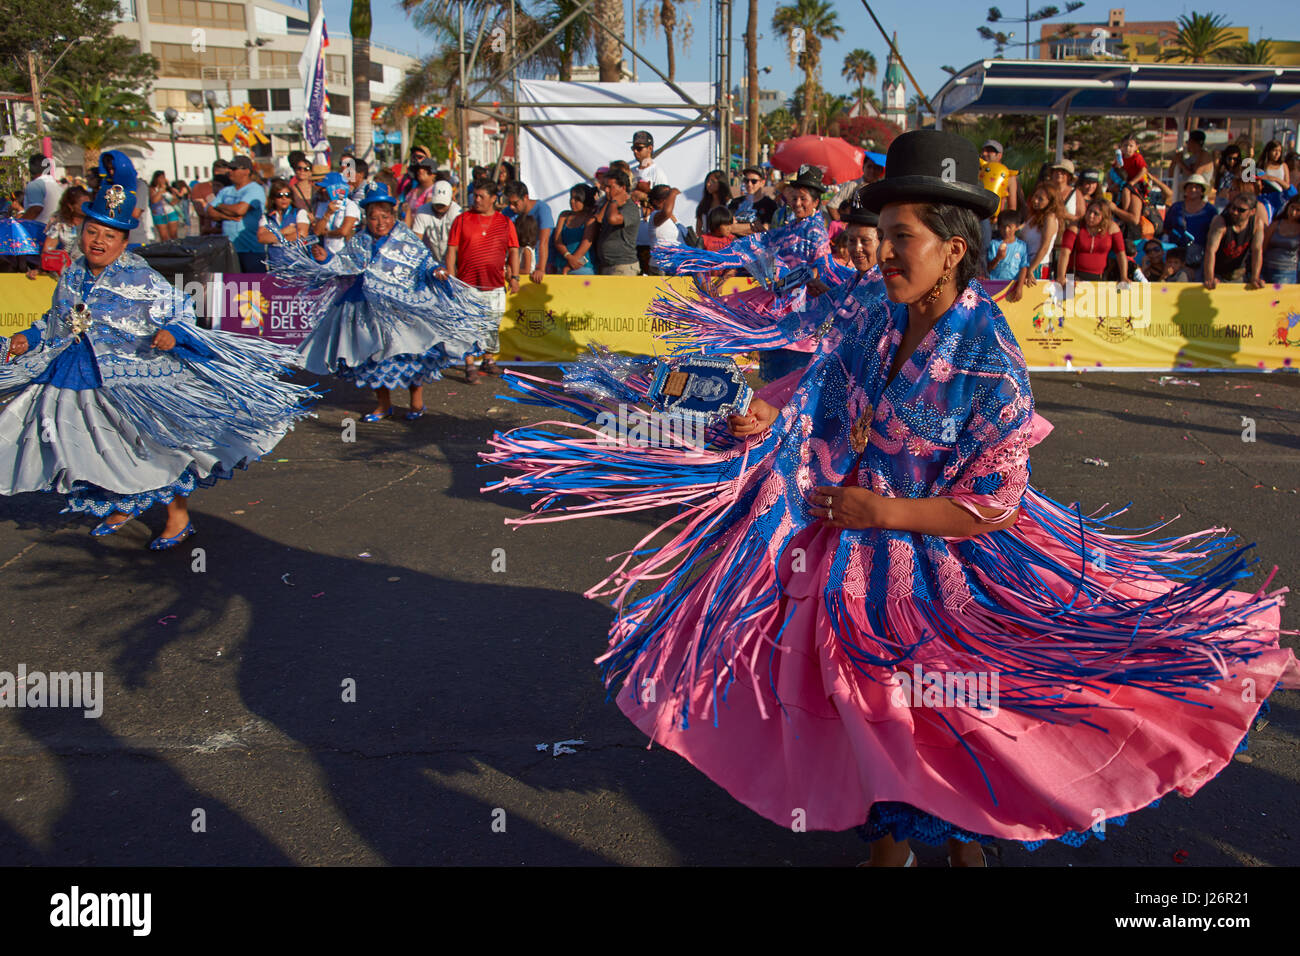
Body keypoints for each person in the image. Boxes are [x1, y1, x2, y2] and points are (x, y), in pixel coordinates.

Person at [483, 127, 1299, 866]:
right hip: (852, 548)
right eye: (883, 238)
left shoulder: (990, 358)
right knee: (860, 696)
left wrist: (887, 512)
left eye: (902, 241)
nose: (884, 256)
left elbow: (997, 505)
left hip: (946, 563)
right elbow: (824, 372)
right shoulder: (876, 305)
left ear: (953, 249)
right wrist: (772, 405)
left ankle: (946, 841)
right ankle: (901, 840)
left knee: (942, 704)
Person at [0, 151, 315, 549]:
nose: (98, 241)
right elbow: (55, 319)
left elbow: (179, 309)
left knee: (151, 444)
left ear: (124, 240)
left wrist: (172, 333)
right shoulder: (73, 271)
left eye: (109, 236)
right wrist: (28, 336)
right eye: (93, 231)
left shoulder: (139, 275)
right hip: (76, 373)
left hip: (132, 374)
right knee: (92, 443)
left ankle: (177, 514)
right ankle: (123, 500)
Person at [279, 181, 497, 420]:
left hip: (403, 308)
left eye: (385, 216)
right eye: (374, 218)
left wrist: (436, 271)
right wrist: (326, 258)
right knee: (373, 358)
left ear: (394, 215)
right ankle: (384, 404)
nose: (380, 222)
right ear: (367, 218)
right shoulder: (360, 242)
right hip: (367, 309)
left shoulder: (406, 239)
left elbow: (424, 262)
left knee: (412, 354)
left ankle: (416, 403)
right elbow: (345, 264)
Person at [444, 180, 520, 383]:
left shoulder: (505, 222)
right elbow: (451, 250)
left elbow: (513, 250)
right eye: (474, 196)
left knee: (491, 324)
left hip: (494, 285)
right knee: (467, 325)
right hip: (466, 284)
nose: (476, 200)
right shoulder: (462, 219)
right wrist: (451, 279)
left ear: (493, 199)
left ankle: (488, 359)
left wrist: (514, 277)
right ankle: (469, 363)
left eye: (481, 196)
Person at [200, 156, 267, 272]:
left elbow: (240, 210)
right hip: (229, 250)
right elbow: (209, 211)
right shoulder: (226, 191)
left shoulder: (255, 189)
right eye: (229, 168)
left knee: (255, 287)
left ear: (247, 171)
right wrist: (227, 216)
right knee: (233, 288)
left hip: (251, 250)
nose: (229, 171)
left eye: (234, 168)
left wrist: (219, 206)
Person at [576, 168, 640, 277]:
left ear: (623, 188)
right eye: (605, 186)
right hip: (606, 265)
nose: (606, 190)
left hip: (622, 266)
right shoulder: (608, 205)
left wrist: (614, 201)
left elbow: (613, 219)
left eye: (610, 187)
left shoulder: (630, 208)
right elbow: (598, 220)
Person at [1203, 191, 1265, 290]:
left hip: (1238, 273)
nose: (1235, 212)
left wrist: (1255, 277)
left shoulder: (1256, 224)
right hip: (1218, 273)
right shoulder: (1220, 222)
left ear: (1252, 212)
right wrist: (1209, 278)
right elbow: (1210, 250)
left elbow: (1257, 251)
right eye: (1233, 207)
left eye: (1241, 210)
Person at [26, 186, 89, 280]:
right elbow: (48, 250)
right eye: (83, 205)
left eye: (89, 204)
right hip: (66, 272)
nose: (87, 207)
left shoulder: (94, 221)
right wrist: (43, 269)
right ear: (70, 206)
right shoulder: (59, 221)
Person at [1161, 173, 1216, 280]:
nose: (1193, 189)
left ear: (1202, 190)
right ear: (1185, 189)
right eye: (1190, 186)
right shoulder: (1176, 207)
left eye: (1197, 187)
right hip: (1177, 257)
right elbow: (1166, 229)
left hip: (1201, 258)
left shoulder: (1211, 211)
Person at [1056, 199, 1126, 281]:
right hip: (1073, 275)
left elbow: (1121, 254)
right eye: (1089, 211)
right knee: (1069, 294)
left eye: (1096, 214)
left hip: (1098, 277)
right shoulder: (1076, 226)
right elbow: (1065, 252)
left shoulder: (1112, 228)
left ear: (1104, 216)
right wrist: (1061, 276)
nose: (1091, 215)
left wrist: (1124, 276)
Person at [502, 181, 555, 282]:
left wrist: (540, 269)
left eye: (515, 203)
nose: (511, 207)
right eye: (509, 203)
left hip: (542, 267)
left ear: (526, 197)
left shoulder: (542, 209)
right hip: (516, 267)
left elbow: (544, 241)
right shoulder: (507, 212)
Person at [1019, 182, 1064, 284]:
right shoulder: (1033, 216)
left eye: (1041, 199)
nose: (1035, 200)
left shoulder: (1050, 218)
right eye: (1035, 196)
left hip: (1038, 266)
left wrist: (1031, 269)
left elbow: (1044, 247)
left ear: (1051, 202)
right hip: (1026, 264)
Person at [311, 172, 360, 260]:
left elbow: (344, 232)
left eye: (326, 188)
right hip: (326, 254)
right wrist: (327, 214)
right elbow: (317, 232)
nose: (323, 190)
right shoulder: (323, 205)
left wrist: (326, 233)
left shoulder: (350, 205)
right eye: (323, 188)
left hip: (345, 255)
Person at [410, 179, 461, 262]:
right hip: (434, 259)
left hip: (455, 258)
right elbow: (417, 240)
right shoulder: (422, 211)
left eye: (443, 204)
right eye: (437, 204)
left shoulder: (457, 213)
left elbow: (457, 244)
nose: (440, 207)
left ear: (452, 199)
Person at [552, 184, 597, 275]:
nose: (572, 201)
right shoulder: (564, 215)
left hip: (583, 266)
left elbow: (586, 245)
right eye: (571, 198)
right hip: (561, 265)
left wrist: (569, 266)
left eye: (577, 199)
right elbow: (557, 240)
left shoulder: (591, 219)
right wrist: (568, 257)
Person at [986, 209, 1029, 301]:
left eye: (1009, 227)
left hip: (1012, 286)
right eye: (1003, 227)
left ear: (1017, 227)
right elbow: (989, 268)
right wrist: (998, 258)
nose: (1006, 230)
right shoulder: (994, 244)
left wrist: (1019, 287)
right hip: (995, 286)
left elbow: (1023, 267)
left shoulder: (1021, 246)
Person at [640, 184, 681, 275]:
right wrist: (673, 193)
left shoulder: (670, 217)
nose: (669, 200)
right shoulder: (656, 215)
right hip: (660, 265)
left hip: (672, 263)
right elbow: (667, 212)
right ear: (656, 201)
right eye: (667, 196)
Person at [256, 178, 309, 249]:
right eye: (279, 195)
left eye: (287, 195)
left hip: (296, 258)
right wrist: (283, 231)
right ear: (273, 198)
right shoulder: (267, 217)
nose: (284, 198)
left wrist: (274, 239)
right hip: (275, 258)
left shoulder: (299, 212)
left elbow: (302, 234)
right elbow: (261, 238)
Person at [1260, 194, 1300, 285]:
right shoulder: (1275, 224)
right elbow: (1262, 248)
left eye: (1298, 210)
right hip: (1267, 269)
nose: (1293, 212)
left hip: (1288, 273)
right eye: (1292, 207)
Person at [728, 165, 778, 235]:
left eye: (754, 181)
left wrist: (735, 228)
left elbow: (765, 230)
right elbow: (726, 227)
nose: (749, 184)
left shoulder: (769, 204)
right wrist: (752, 228)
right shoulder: (735, 202)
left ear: (762, 183)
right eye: (746, 181)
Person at [22, 153, 65, 227]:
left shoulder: (34, 185)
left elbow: (36, 208)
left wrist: (20, 223)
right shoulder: (57, 185)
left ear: (31, 169)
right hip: (55, 230)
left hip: (40, 230)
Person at [629, 130, 669, 197]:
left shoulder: (657, 173)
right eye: (633, 148)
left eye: (639, 148)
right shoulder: (631, 171)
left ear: (650, 148)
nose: (635, 151)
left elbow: (662, 201)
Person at [1175, 129, 1215, 194]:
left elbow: (1195, 177)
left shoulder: (1204, 155)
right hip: (1187, 195)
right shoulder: (1190, 159)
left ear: (1194, 142)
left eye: (1188, 142)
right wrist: (1176, 159)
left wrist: (1180, 163)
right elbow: (1171, 173)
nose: (1187, 145)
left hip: (1199, 195)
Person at [1258, 140, 1291, 216]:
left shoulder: (1283, 166)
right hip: (1265, 197)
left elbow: (1287, 185)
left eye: (1279, 151)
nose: (1277, 154)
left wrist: (1275, 179)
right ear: (1268, 151)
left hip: (1279, 197)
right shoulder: (1262, 165)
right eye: (1274, 150)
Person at [403, 157, 438, 226]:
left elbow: (425, 214)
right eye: (418, 168)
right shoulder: (412, 191)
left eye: (425, 169)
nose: (420, 171)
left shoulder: (434, 190)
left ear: (433, 174)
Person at [695, 169, 731, 235]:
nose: (708, 184)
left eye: (712, 181)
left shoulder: (729, 203)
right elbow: (698, 230)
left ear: (721, 183)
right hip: (707, 242)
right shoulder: (703, 204)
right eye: (707, 181)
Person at [148, 170, 180, 242]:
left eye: (164, 177)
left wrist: (175, 199)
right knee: (164, 237)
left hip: (171, 212)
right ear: (156, 179)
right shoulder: (152, 189)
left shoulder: (169, 188)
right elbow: (154, 200)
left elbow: (176, 199)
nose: (163, 180)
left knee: (174, 235)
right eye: (161, 178)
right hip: (159, 214)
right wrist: (161, 190)